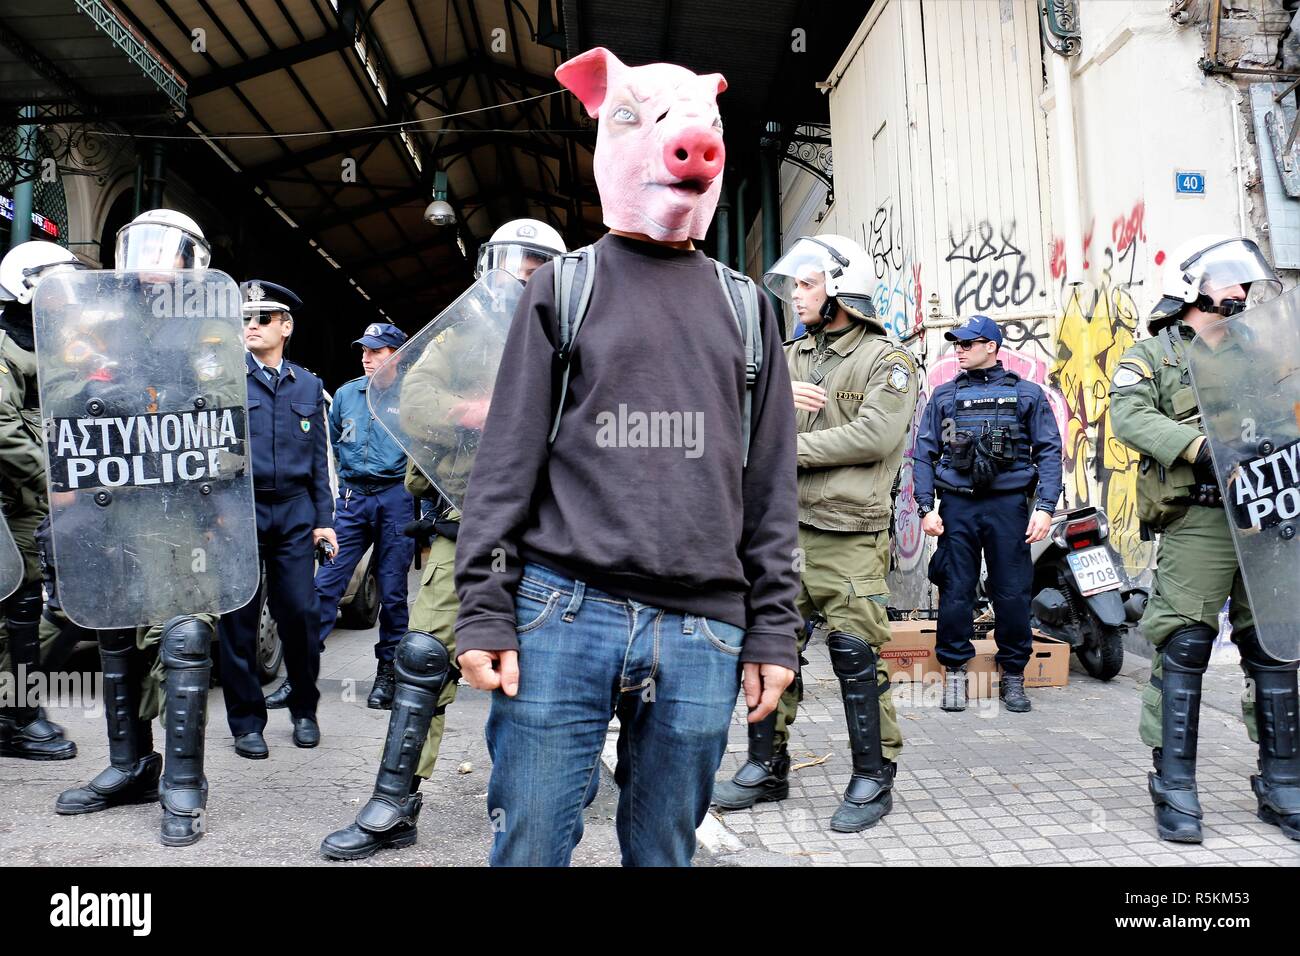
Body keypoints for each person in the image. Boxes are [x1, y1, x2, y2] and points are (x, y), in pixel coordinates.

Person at [452, 47, 800, 867]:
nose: (689, 149)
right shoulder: (562, 291)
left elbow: (771, 488)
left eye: (704, 129)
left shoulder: (748, 311)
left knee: (663, 849)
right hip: (561, 612)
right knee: (533, 838)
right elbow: (506, 466)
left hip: (703, 633)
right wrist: (485, 608)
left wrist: (773, 632)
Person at [319, 218, 566, 860]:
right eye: (517, 263)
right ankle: (395, 801)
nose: (524, 276)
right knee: (425, 656)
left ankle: (552, 790)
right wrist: (470, 410)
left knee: (561, 666)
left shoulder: (578, 332)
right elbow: (412, 407)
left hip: (557, 528)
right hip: (470, 521)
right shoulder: (459, 339)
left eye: (539, 265)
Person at [51, 207, 252, 846]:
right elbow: (64, 394)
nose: (151, 261)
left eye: (166, 250)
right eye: (142, 247)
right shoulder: (97, 321)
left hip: (181, 506)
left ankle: (184, 781)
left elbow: (224, 414)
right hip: (112, 501)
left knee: (185, 635)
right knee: (113, 625)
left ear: (192, 260)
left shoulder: (211, 326)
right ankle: (130, 764)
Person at [712, 234, 918, 831]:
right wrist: (767, 407)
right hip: (782, 531)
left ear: (842, 289)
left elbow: (875, 436)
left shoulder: (888, 359)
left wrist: (781, 446)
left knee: (855, 652)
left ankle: (872, 776)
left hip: (849, 532)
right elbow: (735, 420)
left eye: (807, 283)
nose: (796, 295)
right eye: (794, 284)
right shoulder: (785, 355)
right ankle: (764, 766)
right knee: (769, 646)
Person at [1110, 234, 1300, 844]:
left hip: (1265, 512)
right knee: (1186, 641)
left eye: (1244, 284)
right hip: (1201, 514)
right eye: (1231, 283)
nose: (1242, 294)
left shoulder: (1256, 350)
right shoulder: (1155, 354)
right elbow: (1130, 416)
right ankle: (1174, 783)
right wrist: (1200, 448)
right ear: (1196, 287)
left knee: (1273, 644)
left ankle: (1282, 782)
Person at [911, 314, 1063, 713]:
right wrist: (925, 508)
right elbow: (923, 455)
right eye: (956, 344)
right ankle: (956, 673)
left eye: (967, 344)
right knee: (956, 592)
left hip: (1008, 508)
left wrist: (1045, 508)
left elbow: (1049, 452)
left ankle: (1013, 675)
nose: (959, 350)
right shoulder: (944, 397)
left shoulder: (1027, 394)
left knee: (1012, 594)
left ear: (991, 347)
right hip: (958, 506)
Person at [266, 321, 413, 712]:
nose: (366, 358)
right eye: (363, 350)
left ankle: (388, 676)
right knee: (324, 586)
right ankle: (299, 679)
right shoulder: (347, 396)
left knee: (394, 591)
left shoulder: (415, 396)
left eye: (376, 351)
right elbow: (325, 451)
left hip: (396, 497)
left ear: (396, 355)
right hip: (351, 500)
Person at [217, 280, 334, 758]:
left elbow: (319, 464)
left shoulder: (308, 385)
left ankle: (304, 708)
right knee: (238, 619)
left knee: (301, 615)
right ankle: (246, 722)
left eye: (262, 318)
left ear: (286, 326)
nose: (251, 325)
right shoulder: (223, 379)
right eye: (246, 318)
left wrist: (325, 521)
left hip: (293, 512)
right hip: (239, 511)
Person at [0, 240, 85, 760]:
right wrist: (53, 477)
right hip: (11, 504)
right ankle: (15, 719)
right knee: (18, 605)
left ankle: (20, 711)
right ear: (28, 287)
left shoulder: (44, 344)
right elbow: (3, 429)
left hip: (32, 503)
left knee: (28, 608)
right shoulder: (5, 348)